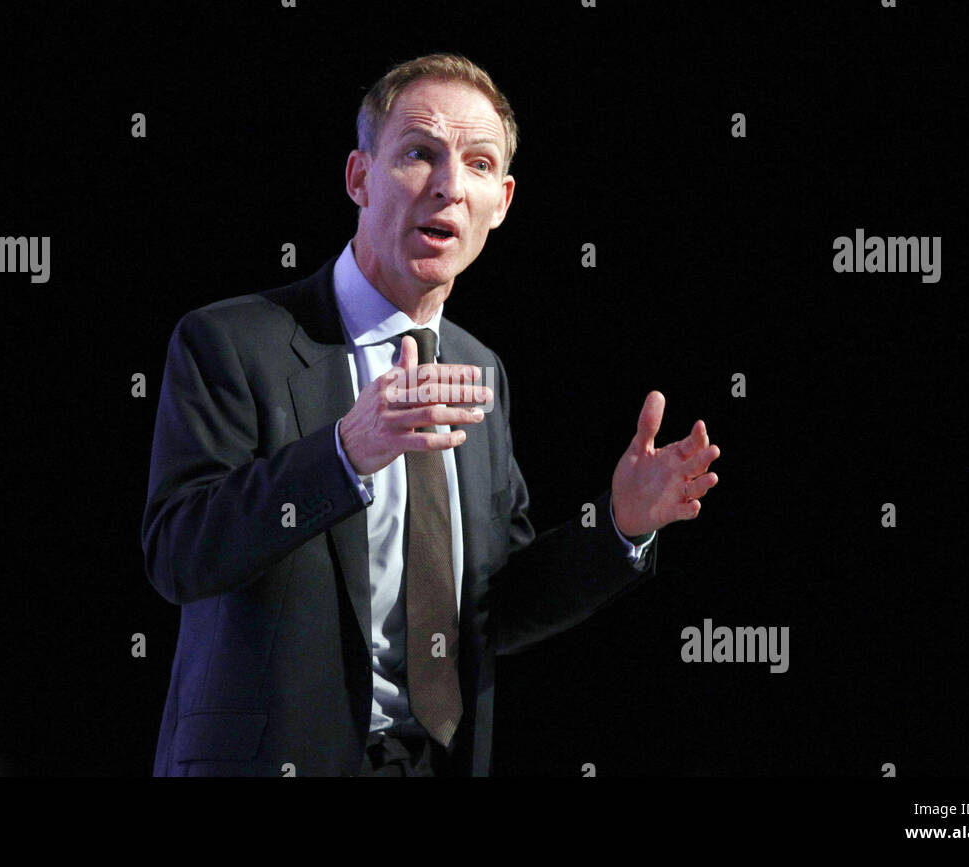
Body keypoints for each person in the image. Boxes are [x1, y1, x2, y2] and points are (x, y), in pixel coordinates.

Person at [141, 52, 721, 777]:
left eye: (478, 165)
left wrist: (618, 525)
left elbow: (494, 607)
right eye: (420, 154)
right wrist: (346, 451)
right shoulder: (230, 341)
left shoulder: (481, 371)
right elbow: (178, 552)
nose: (449, 186)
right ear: (359, 177)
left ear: (501, 202)